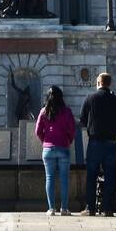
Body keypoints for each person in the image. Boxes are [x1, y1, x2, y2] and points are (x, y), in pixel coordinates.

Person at [79, 72, 116, 217]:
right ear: (109, 84)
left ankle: (90, 208)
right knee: (110, 176)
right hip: (112, 144)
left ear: (98, 83)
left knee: (91, 176)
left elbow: (82, 120)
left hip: (95, 143)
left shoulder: (90, 98)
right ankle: (108, 209)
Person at [34, 85, 76, 216]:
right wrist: (68, 140)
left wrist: (45, 141)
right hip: (63, 147)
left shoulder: (43, 111)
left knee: (50, 178)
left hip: (48, 149)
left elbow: (37, 131)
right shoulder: (67, 111)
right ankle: (64, 208)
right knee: (64, 179)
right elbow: (72, 130)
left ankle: (51, 208)